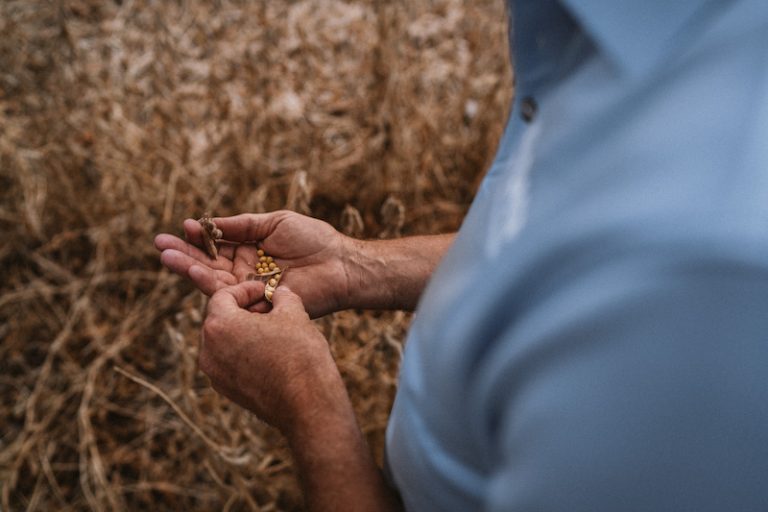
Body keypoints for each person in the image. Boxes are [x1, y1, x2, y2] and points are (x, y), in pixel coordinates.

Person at [155, 0, 768, 510]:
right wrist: (355, 266)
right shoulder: (633, 44)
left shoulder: (710, 282)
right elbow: (554, 257)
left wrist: (306, 402)